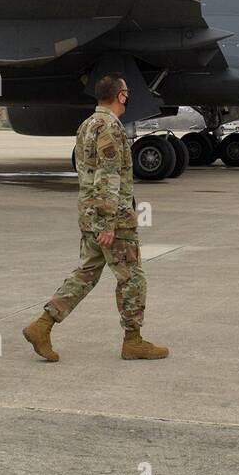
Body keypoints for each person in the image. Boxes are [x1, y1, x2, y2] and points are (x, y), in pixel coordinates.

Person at [22, 74, 168, 362]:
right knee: (133, 279)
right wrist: (108, 224)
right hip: (112, 218)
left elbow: (85, 171)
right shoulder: (110, 128)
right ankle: (133, 340)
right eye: (127, 92)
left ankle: (43, 325)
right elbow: (107, 176)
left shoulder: (87, 125)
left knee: (86, 274)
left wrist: (96, 219)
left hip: (90, 214)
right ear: (121, 96)